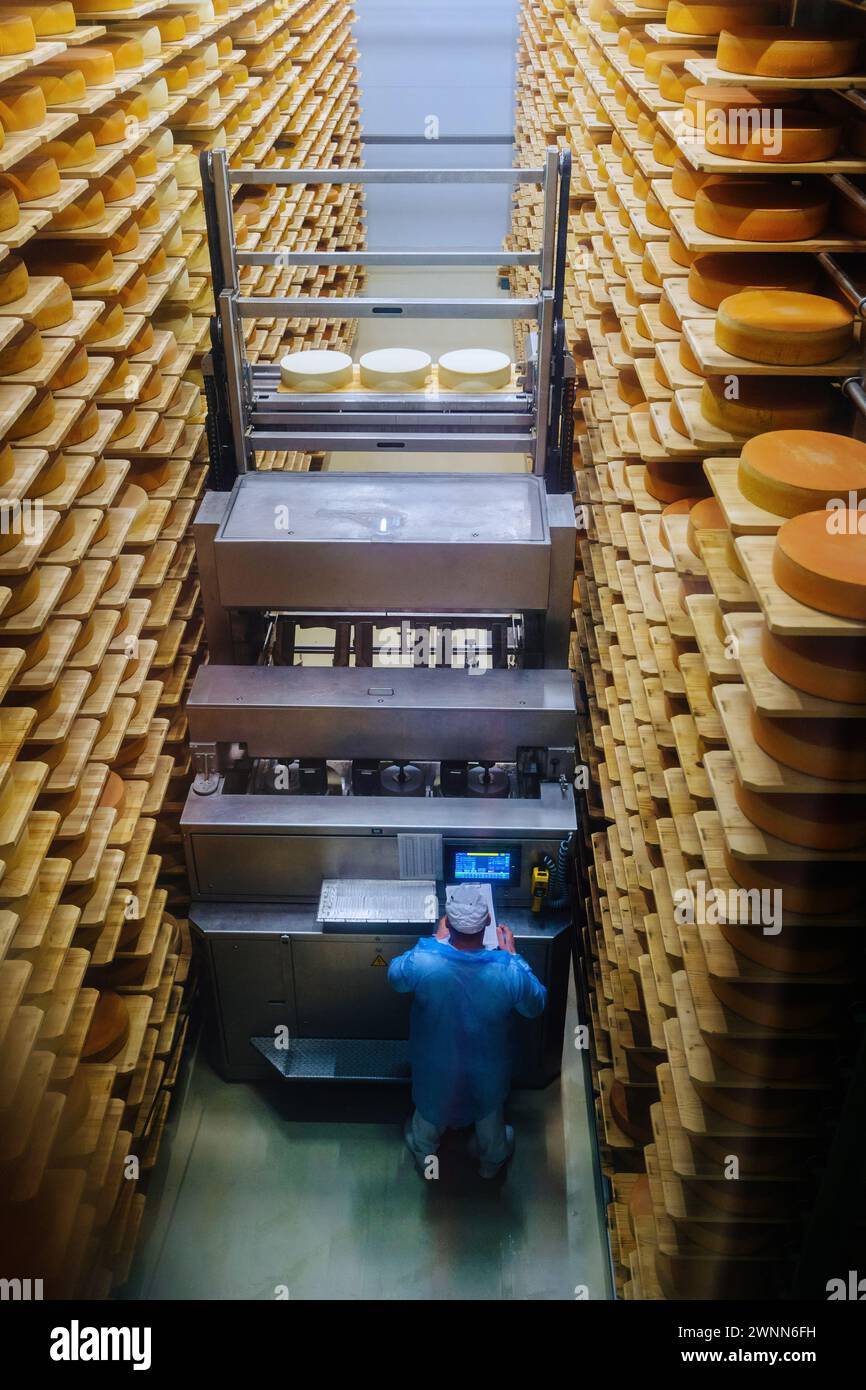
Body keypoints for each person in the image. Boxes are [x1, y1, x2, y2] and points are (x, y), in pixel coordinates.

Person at [388, 882, 547, 1179]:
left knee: (428, 1118)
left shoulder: (424, 962)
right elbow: (535, 1005)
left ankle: (426, 1158)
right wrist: (513, 955)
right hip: (487, 1071)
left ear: (446, 923)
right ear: (488, 921)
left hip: (436, 1067)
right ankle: (491, 1164)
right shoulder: (507, 971)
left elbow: (396, 976)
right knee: (490, 1118)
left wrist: (433, 942)